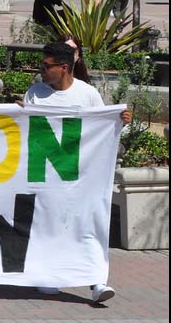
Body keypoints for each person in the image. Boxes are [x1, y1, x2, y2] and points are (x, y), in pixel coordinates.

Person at [22, 41, 131, 303]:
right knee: (47, 225)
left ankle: (96, 281)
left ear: (64, 67)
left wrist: (121, 121)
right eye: (41, 66)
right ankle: (48, 275)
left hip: (80, 175)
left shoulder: (87, 94)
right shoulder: (35, 93)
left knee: (86, 225)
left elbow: (104, 129)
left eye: (46, 66)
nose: (42, 71)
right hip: (45, 174)